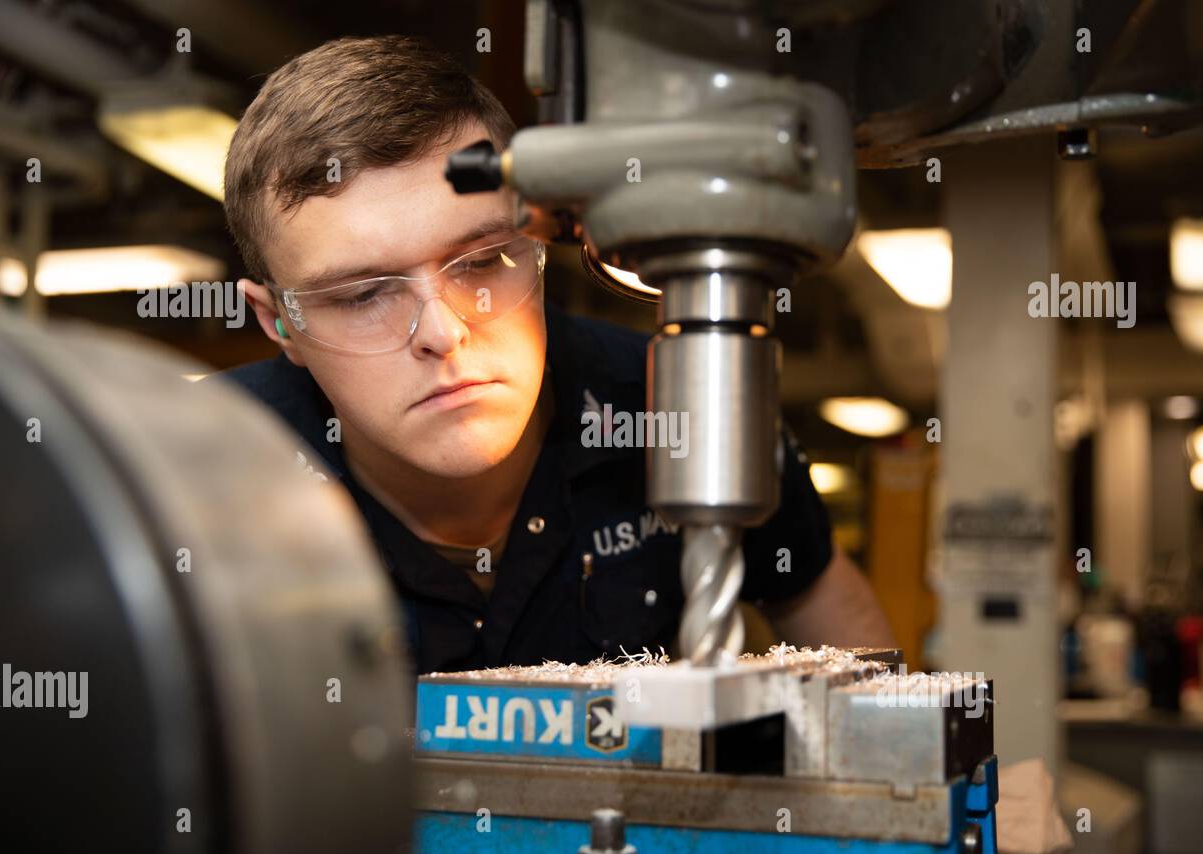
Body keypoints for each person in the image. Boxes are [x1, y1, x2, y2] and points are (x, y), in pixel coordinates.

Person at [216, 35, 892, 674]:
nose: (445, 332)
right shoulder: (191, 475)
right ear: (281, 325)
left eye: (482, 261)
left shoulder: (681, 402)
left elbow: (828, 614)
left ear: (537, 242)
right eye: (363, 296)